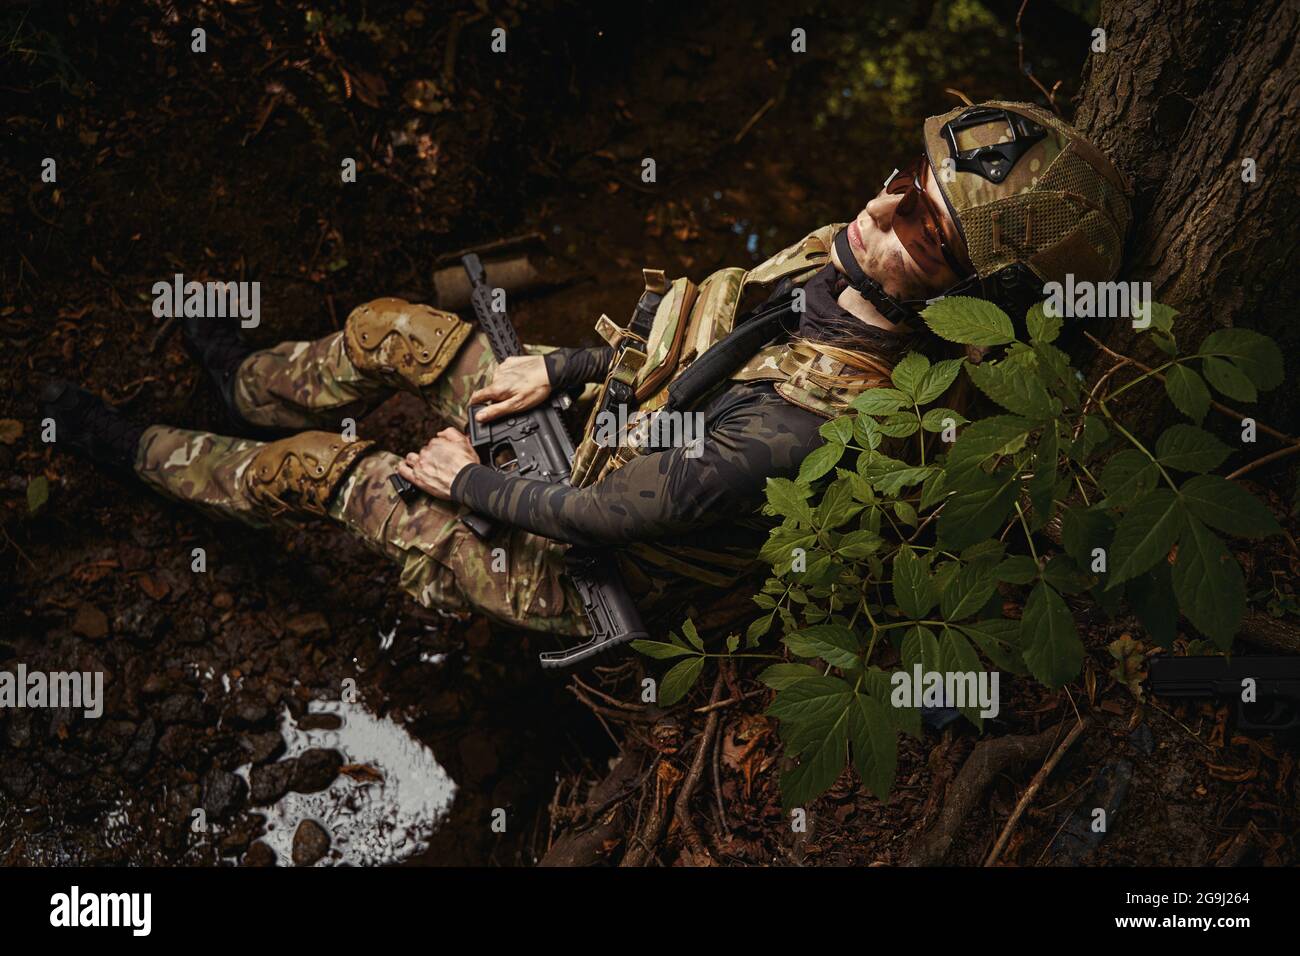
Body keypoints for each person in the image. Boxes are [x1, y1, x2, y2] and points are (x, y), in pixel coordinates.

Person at [39, 101, 1130, 643]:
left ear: (964, 296)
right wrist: (561, 370)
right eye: (904, 180)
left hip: (583, 556)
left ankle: (128, 448)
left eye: (928, 234)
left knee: (335, 474)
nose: (881, 212)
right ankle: (243, 385)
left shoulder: (815, 420)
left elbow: (601, 518)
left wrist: (460, 478)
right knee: (387, 330)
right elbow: (692, 327)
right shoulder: (844, 261)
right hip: (606, 424)